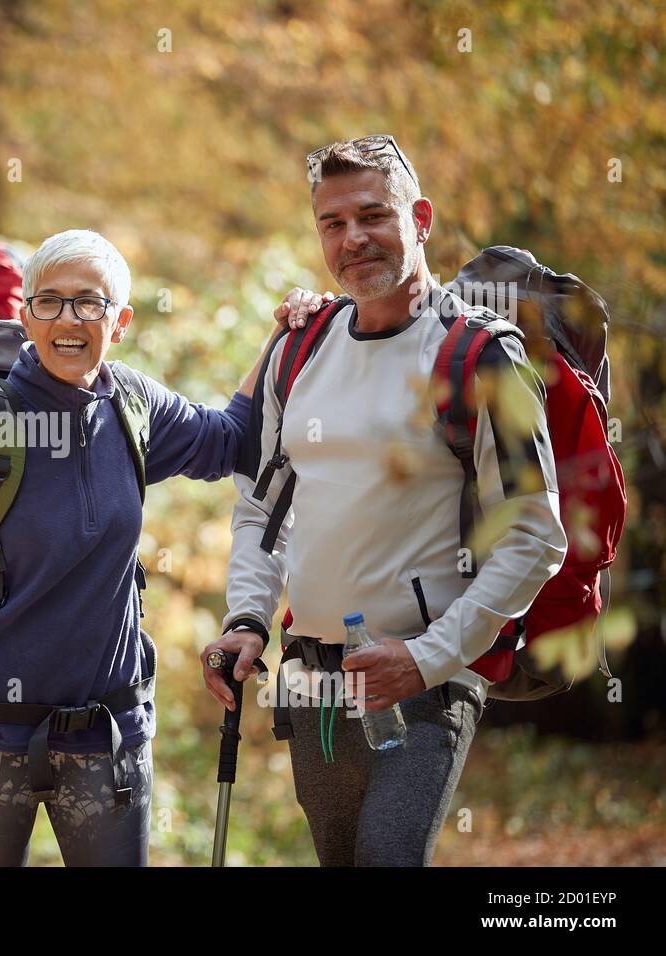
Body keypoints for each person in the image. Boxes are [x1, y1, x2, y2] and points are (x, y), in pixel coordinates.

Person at [0, 229, 296, 866]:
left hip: (105, 730)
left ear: (120, 321)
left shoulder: (135, 405)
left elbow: (231, 439)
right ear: (24, 315)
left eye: (88, 302)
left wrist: (283, 335)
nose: (67, 318)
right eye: (49, 301)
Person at [202, 136, 567, 866]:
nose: (353, 238)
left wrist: (430, 657)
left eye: (373, 215)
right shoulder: (298, 350)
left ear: (421, 218)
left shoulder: (479, 354)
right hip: (312, 683)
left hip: (425, 681)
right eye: (332, 224)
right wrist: (246, 617)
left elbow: (535, 532)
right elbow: (262, 507)